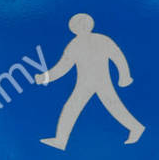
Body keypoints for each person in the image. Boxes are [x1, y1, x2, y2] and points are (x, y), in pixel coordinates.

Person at [37, 12, 145, 150]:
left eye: (82, 24)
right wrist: (45, 77)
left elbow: (118, 57)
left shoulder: (99, 40)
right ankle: (60, 140)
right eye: (77, 25)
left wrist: (125, 76)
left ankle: (136, 128)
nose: (80, 27)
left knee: (112, 107)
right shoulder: (77, 44)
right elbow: (62, 67)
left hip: (99, 82)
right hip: (85, 83)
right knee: (74, 108)